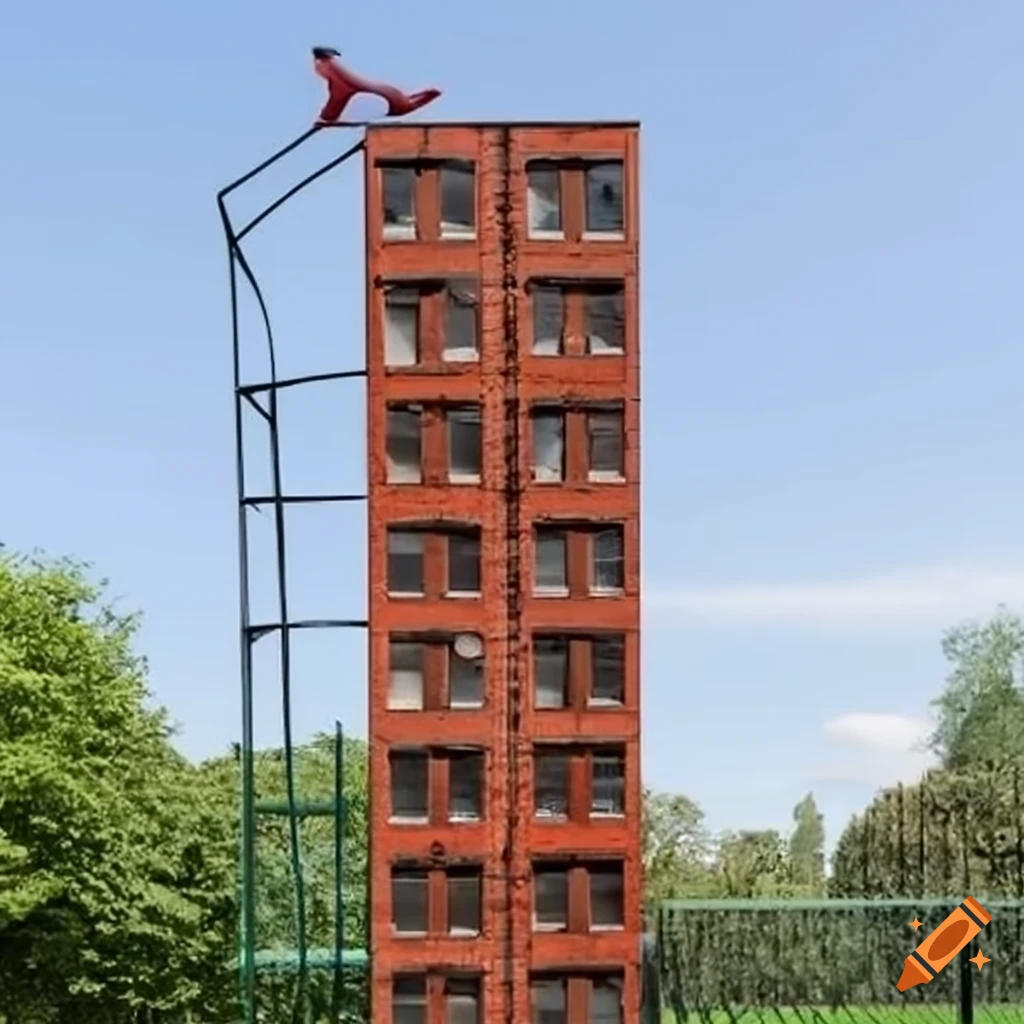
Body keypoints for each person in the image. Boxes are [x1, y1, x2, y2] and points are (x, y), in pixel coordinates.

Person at [312, 47, 441, 124]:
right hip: (388, 97)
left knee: (344, 87)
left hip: (386, 100)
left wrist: (324, 119)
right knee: (344, 85)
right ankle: (327, 61)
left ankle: (327, 61)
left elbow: (333, 109)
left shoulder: (340, 89)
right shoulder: (339, 86)